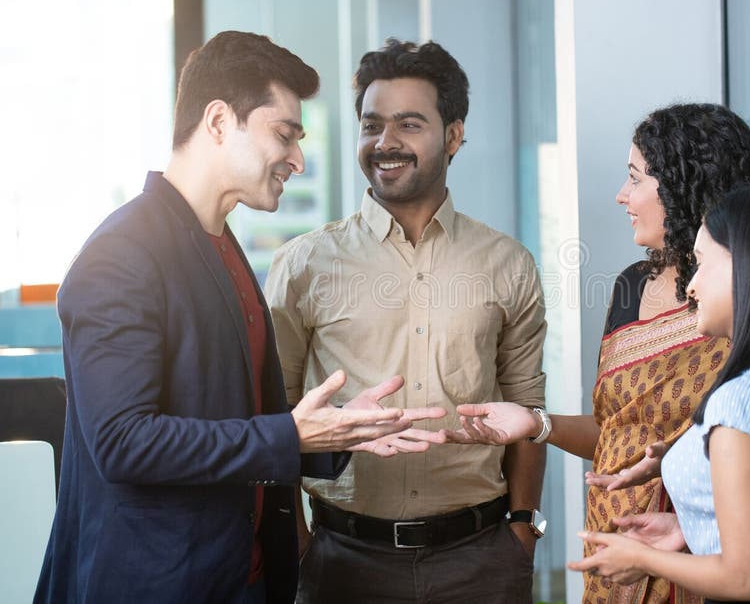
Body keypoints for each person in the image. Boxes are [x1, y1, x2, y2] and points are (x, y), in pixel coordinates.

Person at [34, 31, 445, 604]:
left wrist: (337, 430)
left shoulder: (220, 245)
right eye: (284, 135)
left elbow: (230, 414)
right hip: (156, 582)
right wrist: (291, 433)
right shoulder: (121, 255)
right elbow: (123, 442)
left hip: (241, 576)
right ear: (220, 121)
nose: (298, 159)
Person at [444, 104, 750, 603]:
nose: (622, 194)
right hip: (636, 544)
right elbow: (617, 433)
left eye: (636, 178)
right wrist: (536, 424)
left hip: (717, 574)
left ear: (685, 186)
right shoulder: (632, 288)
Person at [264, 38, 547, 602]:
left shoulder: (507, 262)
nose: (385, 142)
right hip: (341, 561)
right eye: (372, 125)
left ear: (454, 136)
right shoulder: (303, 264)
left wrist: (522, 530)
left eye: (409, 124)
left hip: (480, 561)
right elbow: (277, 414)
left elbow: (527, 407)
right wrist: (296, 540)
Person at [568, 185, 750, 604]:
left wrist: (642, 559)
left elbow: (746, 579)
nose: (692, 286)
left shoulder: (742, 402)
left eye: (701, 265)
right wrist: (690, 530)